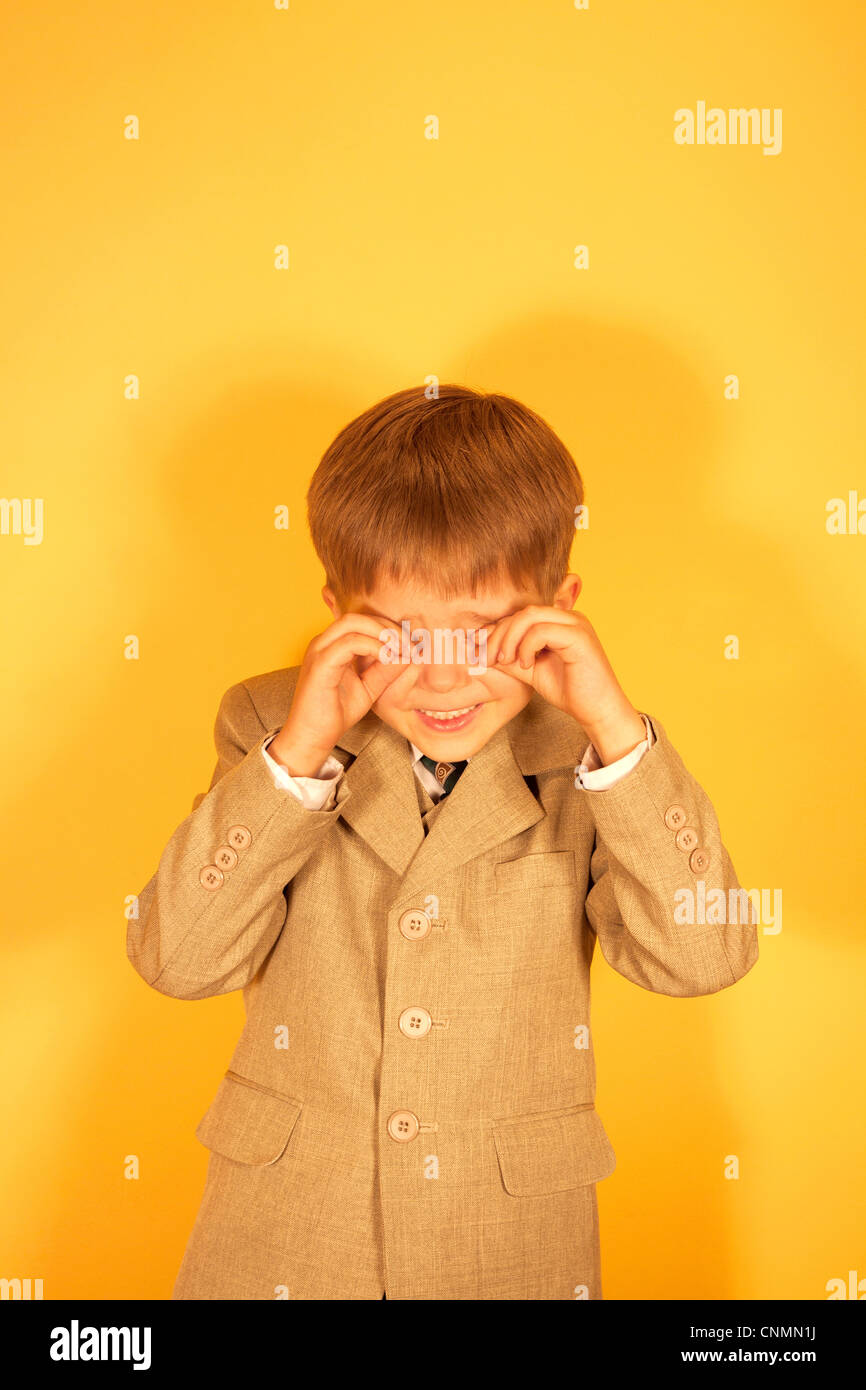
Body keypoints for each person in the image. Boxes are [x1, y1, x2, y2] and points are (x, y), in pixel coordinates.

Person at [127, 383, 759, 1300]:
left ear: (560, 606)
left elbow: (704, 956)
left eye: (480, 633)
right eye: (399, 635)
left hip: (504, 1239)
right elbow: (178, 958)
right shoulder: (271, 722)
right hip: (290, 1235)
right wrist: (299, 754)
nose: (440, 678)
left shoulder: (590, 749)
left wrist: (617, 732)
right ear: (337, 607)